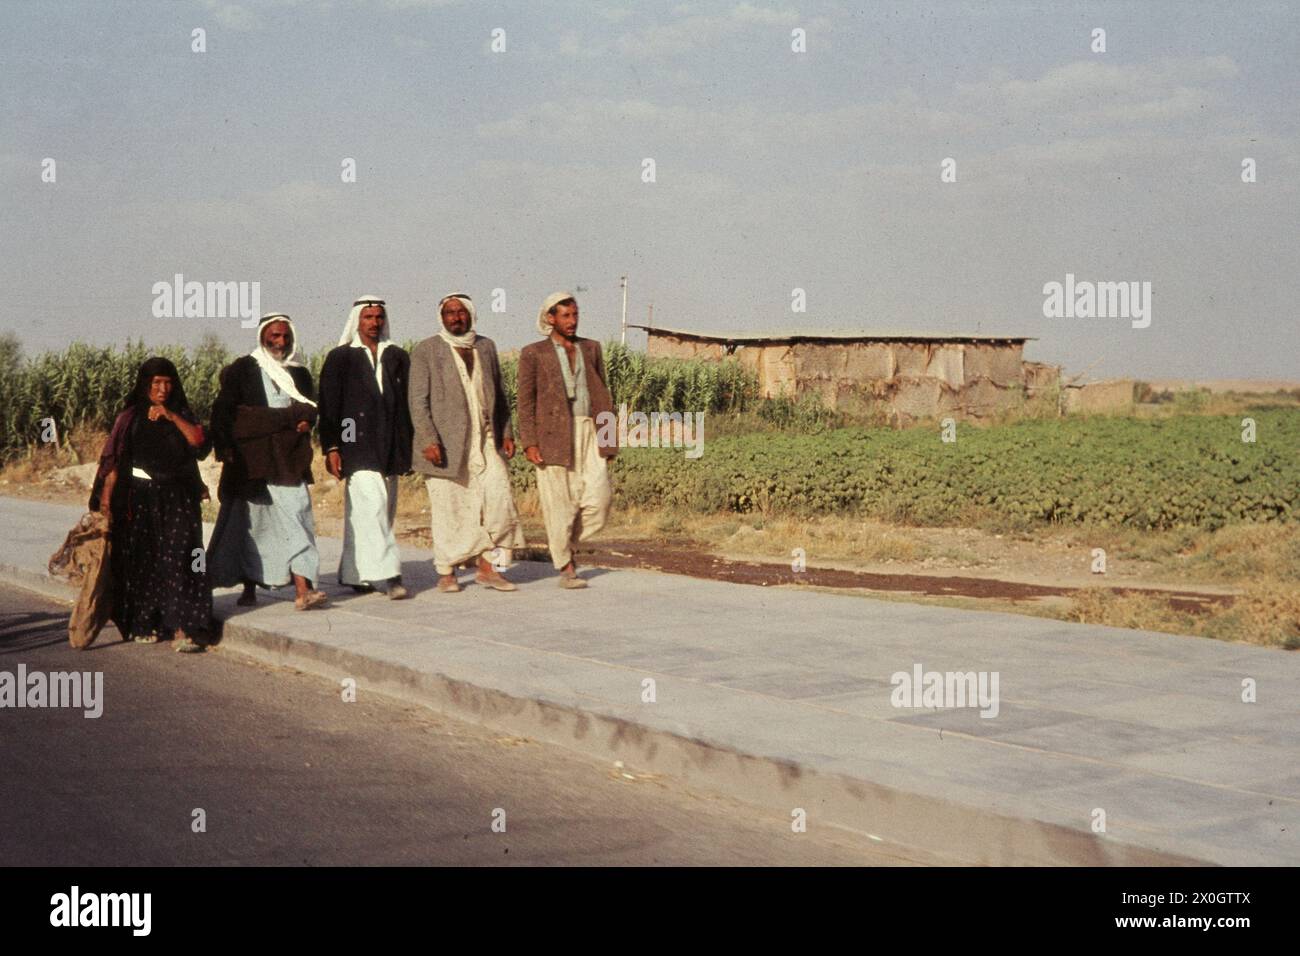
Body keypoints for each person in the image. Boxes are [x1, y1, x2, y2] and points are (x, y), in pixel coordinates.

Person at [88, 357, 212, 652]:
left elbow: (197, 442)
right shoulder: (129, 418)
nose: (162, 388)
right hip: (140, 498)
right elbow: (115, 460)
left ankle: (184, 628)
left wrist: (170, 415)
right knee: (144, 560)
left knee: (184, 557)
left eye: (167, 382)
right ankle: (146, 623)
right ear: (145, 385)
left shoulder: (182, 413)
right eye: (156, 382)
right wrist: (106, 498)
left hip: (179, 498)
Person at [207, 313, 328, 611]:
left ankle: (303, 590)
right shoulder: (243, 369)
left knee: (297, 518)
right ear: (263, 336)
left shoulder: (299, 373)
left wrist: (303, 421)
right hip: (252, 462)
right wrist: (286, 418)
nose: (281, 342)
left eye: (285, 336)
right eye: (274, 336)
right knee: (254, 525)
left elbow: (310, 410)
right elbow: (233, 416)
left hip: (288, 459)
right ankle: (250, 588)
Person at [408, 293, 523, 593]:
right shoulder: (427, 350)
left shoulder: (486, 346)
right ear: (441, 317)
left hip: (486, 439)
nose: (457, 317)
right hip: (445, 446)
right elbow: (417, 401)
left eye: (462, 312)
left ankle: (491, 569)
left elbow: (500, 395)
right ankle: (446, 572)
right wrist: (428, 439)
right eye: (450, 312)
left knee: (500, 502)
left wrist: (507, 432)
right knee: (451, 509)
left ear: (471, 315)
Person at [516, 292, 617, 589]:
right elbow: (525, 401)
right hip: (552, 434)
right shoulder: (534, 353)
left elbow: (603, 395)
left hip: (588, 430)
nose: (572, 321)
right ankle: (566, 566)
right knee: (559, 505)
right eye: (565, 316)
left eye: (575, 315)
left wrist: (607, 438)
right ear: (551, 318)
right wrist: (530, 442)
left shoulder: (591, 348)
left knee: (600, 500)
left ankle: (565, 544)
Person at [318, 296, 413, 598]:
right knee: (371, 509)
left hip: (390, 445)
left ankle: (355, 573)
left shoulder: (396, 356)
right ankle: (391, 574)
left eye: (379, 317)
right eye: (368, 317)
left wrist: (407, 447)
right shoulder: (341, 357)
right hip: (356, 445)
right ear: (357, 321)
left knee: (377, 512)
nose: (374, 323)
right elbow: (331, 407)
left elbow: (407, 406)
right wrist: (334, 447)